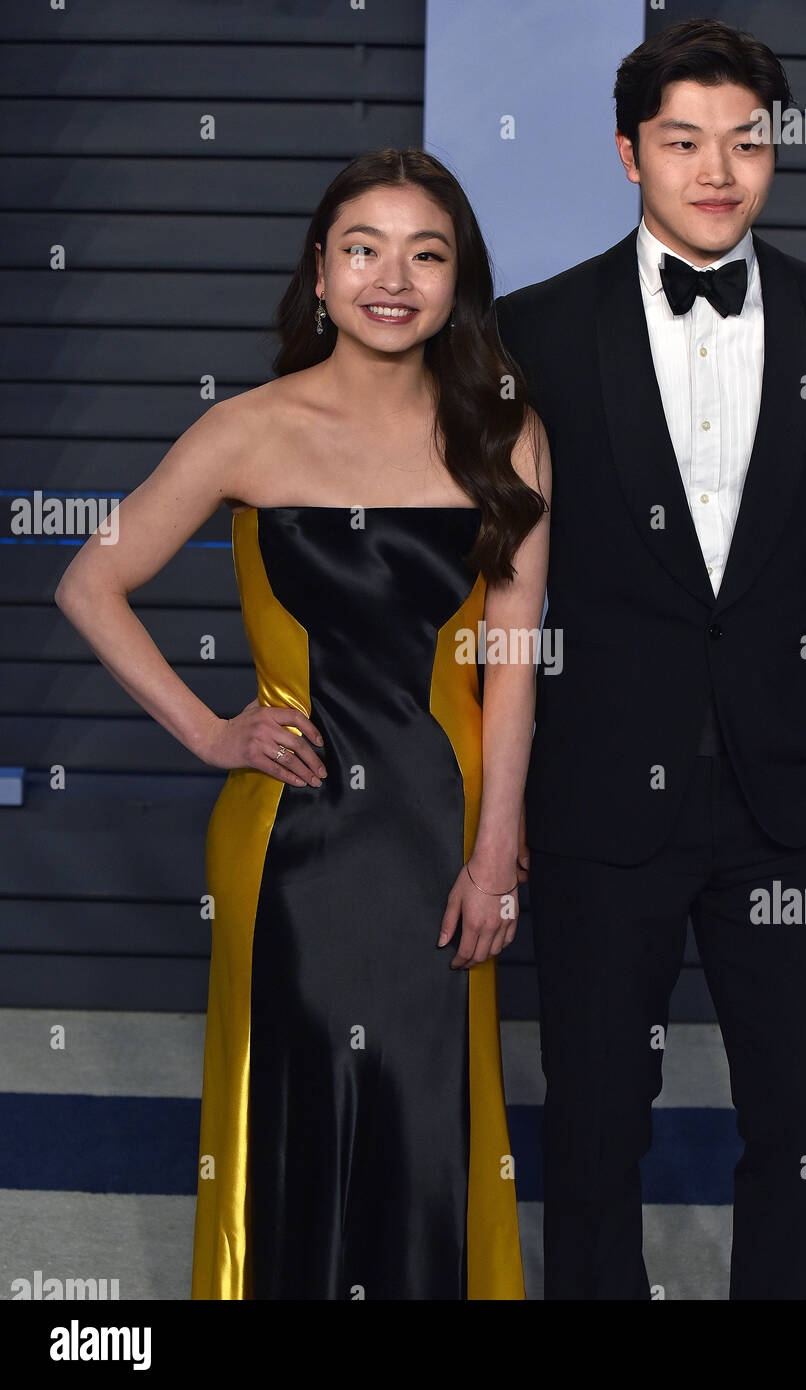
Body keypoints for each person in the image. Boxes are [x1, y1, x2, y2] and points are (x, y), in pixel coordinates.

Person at [54, 148, 549, 1300]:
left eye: (426, 253)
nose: (393, 276)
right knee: (298, 1093)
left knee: (433, 1104)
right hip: (296, 839)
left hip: (443, 832)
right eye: (362, 248)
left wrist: (497, 851)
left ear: (456, 280)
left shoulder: (505, 433)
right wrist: (208, 730)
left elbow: (516, 660)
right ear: (318, 273)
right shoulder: (246, 432)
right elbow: (90, 581)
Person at [495, 19, 806, 1299]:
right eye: (684, 142)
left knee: (795, 1127)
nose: (717, 169)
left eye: (745, 142)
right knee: (598, 1118)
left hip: (792, 795)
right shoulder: (535, 330)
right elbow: (509, 576)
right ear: (629, 155)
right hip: (602, 791)